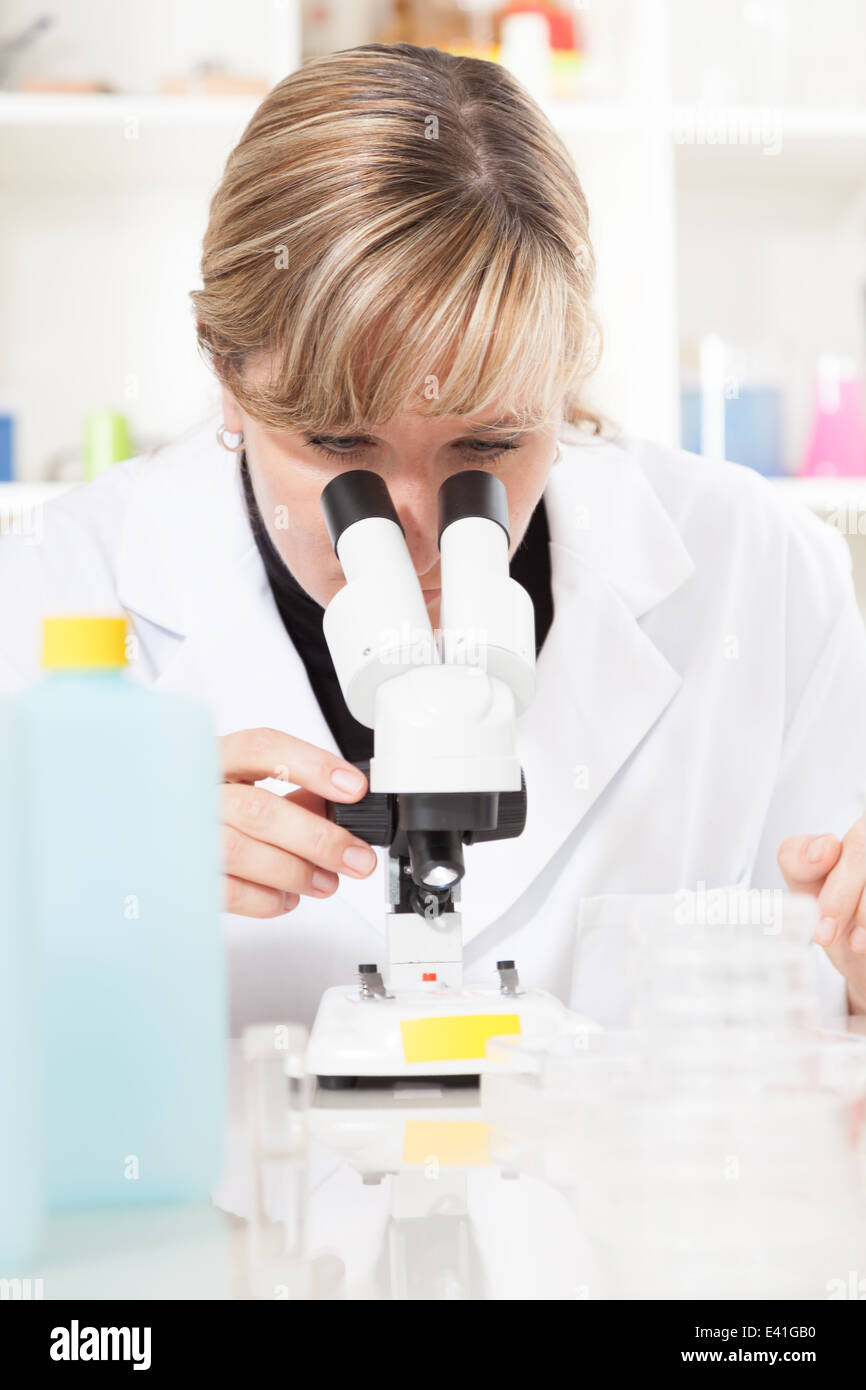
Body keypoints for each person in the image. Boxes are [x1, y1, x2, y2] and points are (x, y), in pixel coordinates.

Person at [2, 44, 866, 1032]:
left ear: (562, 376)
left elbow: (828, 1031)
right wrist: (79, 883)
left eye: (487, 444)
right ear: (229, 383)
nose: (413, 521)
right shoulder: (51, 586)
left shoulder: (756, 571)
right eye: (337, 444)